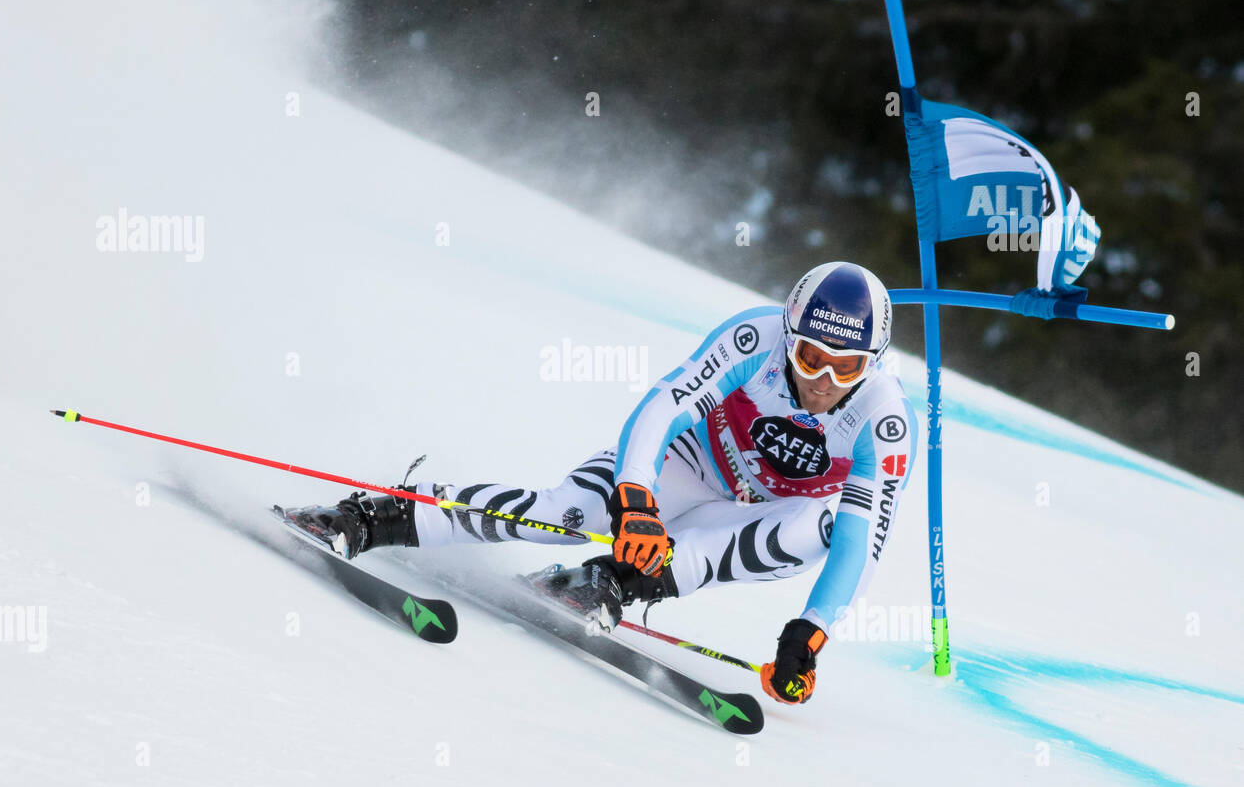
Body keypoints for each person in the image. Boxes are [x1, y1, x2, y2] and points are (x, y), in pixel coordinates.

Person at [289, 261, 917, 706]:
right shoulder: (756, 336)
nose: (825, 382)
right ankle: (375, 517)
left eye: (848, 367)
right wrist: (636, 497)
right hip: (690, 460)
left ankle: (607, 583)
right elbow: (668, 402)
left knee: (827, 525)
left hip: (764, 515)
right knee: (566, 516)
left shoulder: (885, 421)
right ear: (791, 334)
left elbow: (864, 542)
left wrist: (809, 634)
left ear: (875, 363)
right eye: (810, 358)